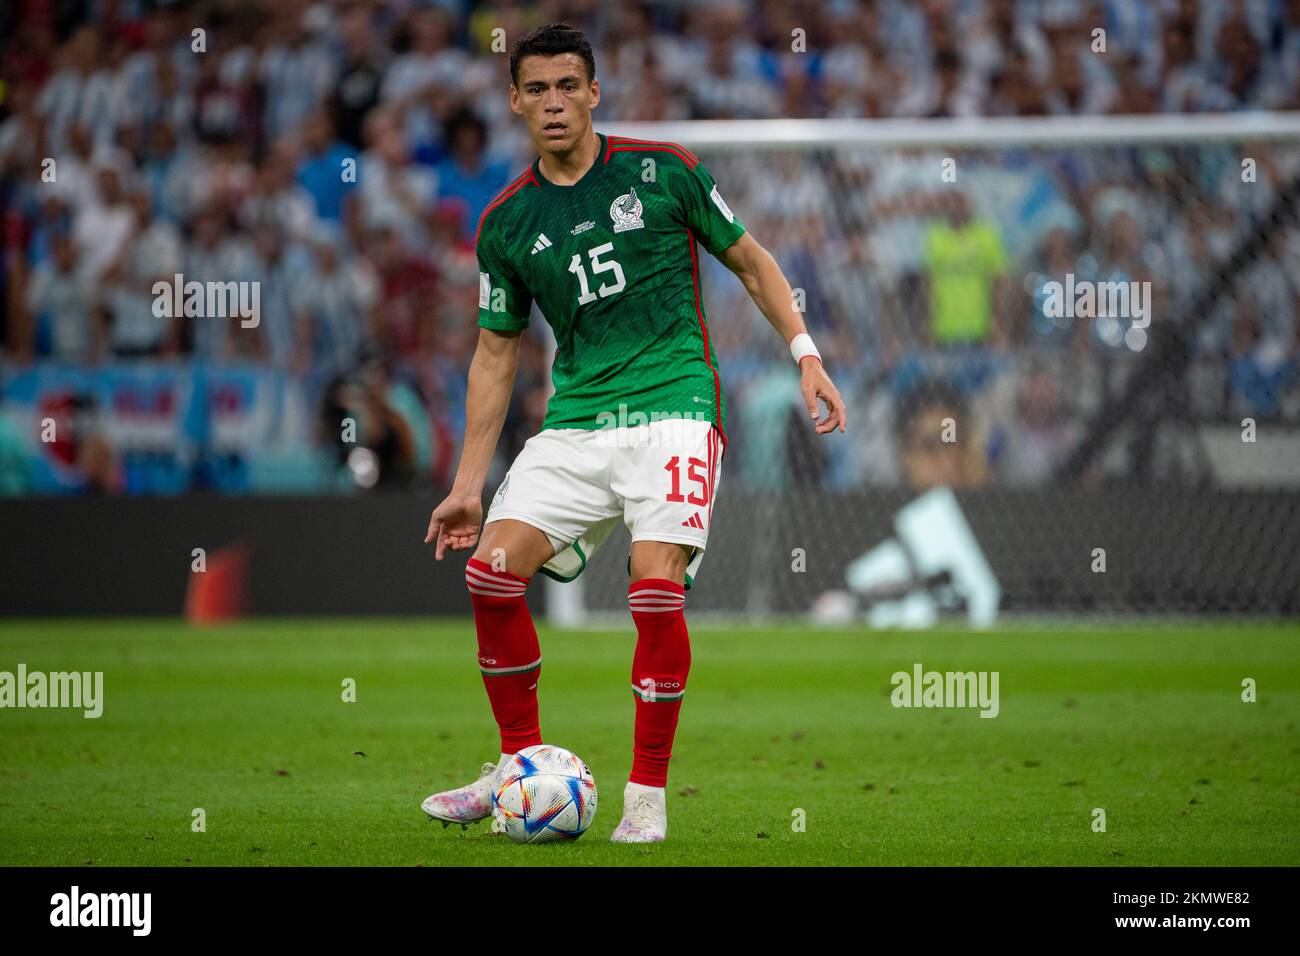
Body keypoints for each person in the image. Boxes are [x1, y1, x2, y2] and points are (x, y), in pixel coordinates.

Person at [419, 23, 846, 843]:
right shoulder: (507, 223)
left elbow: (753, 261)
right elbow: (494, 356)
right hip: (577, 421)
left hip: (675, 407)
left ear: (594, 93)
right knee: (491, 575)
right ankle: (518, 770)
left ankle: (646, 797)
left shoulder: (663, 170)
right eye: (536, 89)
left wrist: (806, 355)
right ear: (514, 100)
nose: (553, 103)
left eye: (567, 86)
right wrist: (468, 485)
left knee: (652, 583)